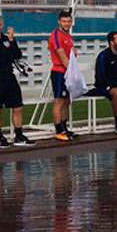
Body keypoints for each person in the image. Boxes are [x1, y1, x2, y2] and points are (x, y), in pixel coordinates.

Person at [0, 14, 33, 148]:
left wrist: (12, 41)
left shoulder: (7, 39)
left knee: (18, 107)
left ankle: (19, 136)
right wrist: (7, 50)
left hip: (9, 77)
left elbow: (17, 55)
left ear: (1, 25)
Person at [48, 10, 78, 142]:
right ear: (59, 22)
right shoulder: (56, 35)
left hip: (67, 72)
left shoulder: (69, 37)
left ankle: (65, 128)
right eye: (64, 21)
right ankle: (58, 130)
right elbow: (61, 55)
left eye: (69, 21)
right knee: (59, 101)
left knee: (67, 101)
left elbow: (71, 54)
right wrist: (71, 71)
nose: (66, 24)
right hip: (59, 72)